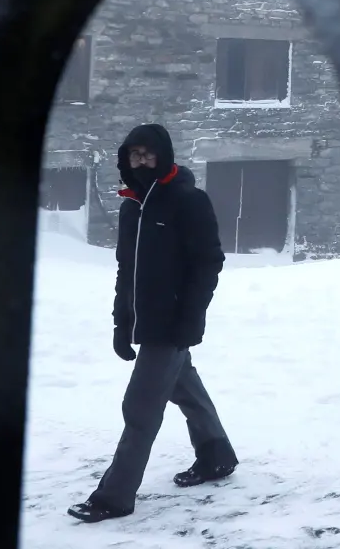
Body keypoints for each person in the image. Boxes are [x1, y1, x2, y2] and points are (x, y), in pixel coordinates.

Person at [68, 123, 237, 523]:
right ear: (125, 160)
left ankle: (114, 496)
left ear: (163, 156)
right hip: (147, 323)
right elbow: (126, 271)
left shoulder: (188, 200)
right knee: (185, 387)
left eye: (148, 154)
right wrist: (120, 324)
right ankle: (216, 455)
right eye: (134, 155)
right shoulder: (132, 207)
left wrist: (190, 318)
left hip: (173, 323)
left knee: (140, 407)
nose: (141, 161)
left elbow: (209, 262)